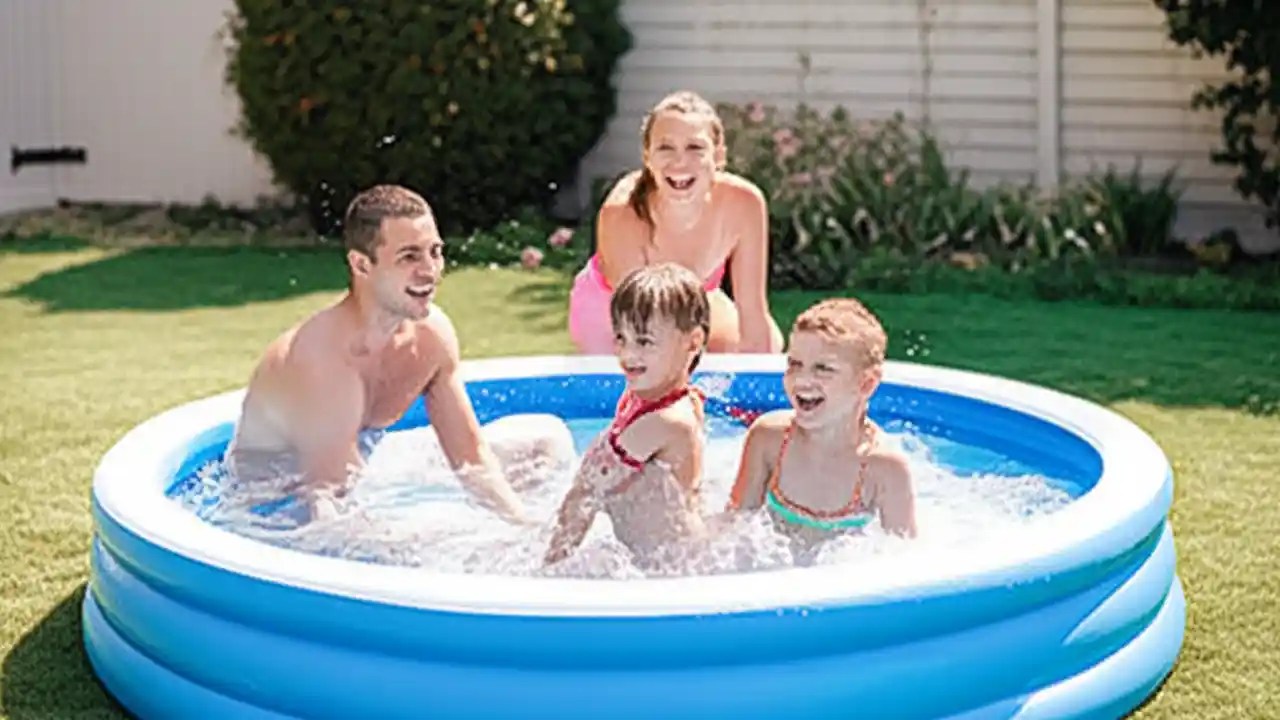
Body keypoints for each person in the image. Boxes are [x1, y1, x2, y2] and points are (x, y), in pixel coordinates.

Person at [225, 184, 573, 524]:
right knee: (418, 538)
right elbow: (332, 503)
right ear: (361, 265)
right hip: (279, 497)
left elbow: (471, 459)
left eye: (435, 252)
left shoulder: (430, 337)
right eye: (409, 256)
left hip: (361, 464)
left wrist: (523, 528)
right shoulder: (322, 354)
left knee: (546, 437)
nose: (430, 271)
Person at [568, 90, 784, 356]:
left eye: (695, 148)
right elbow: (639, 333)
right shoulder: (622, 213)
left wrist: (760, 392)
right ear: (647, 157)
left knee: (768, 343)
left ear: (718, 156)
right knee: (635, 379)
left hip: (694, 302)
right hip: (615, 315)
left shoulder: (744, 203)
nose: (680, 162)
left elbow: (754, 317)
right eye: (665, 147)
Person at [545, 263, 711, 569]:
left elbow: (586, 491)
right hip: (665, 559)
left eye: (644, 341)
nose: (627, 355)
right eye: (620, 338)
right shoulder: (661, 397)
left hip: (671, 570)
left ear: (693, 341)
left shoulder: (666, 421)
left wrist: (551, 567)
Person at [726, 298, 918, 543]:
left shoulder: (883, 468)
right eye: (795, 364)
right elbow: (732, 528)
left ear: (866, 384)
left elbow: (903, 559)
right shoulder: (769, 439)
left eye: (823, 368)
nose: (802, 380)